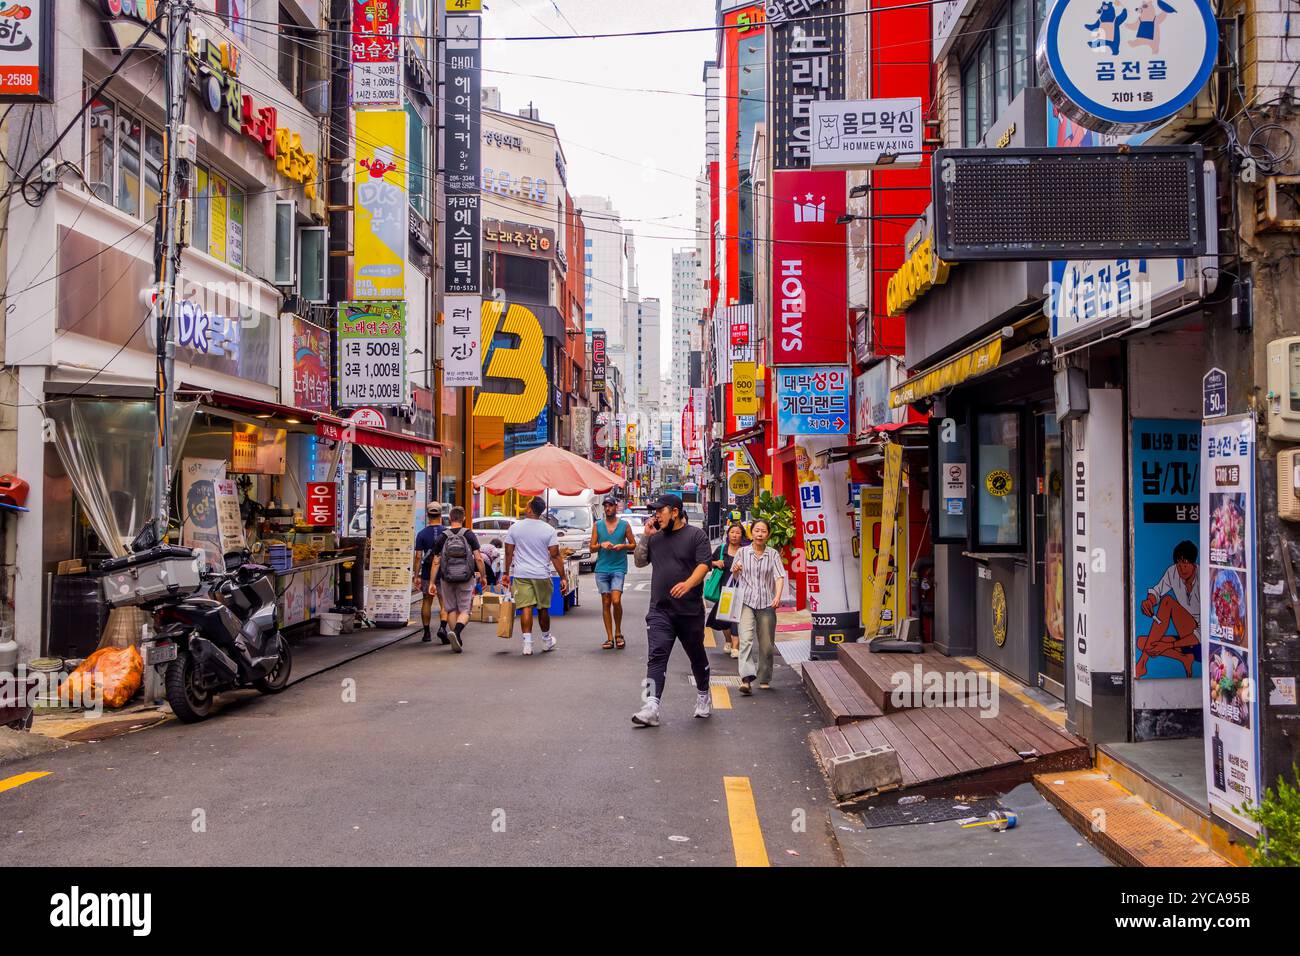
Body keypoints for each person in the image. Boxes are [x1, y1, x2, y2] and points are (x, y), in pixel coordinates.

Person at [630, 494, 714, 727]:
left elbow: (704, 565)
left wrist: (688, 584)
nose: (656, 515)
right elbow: (638, 562)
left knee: (696, 655)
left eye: (660, 511)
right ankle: (651, 706)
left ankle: (703, 694)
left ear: (675, 512)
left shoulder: (696, 536)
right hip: (660, 610)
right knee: (656, 656)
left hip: (689, 611)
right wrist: (646, 538)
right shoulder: (655, 537)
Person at [502, 496, 568, 656]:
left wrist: (505, 573)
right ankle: (546, 640)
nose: (526, 506)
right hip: (541, 574)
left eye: (528, 504)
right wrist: (563, 577)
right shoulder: (548, 530)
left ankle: (527, 644)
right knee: (543, 608)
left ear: (530, 509)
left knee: (526, 608)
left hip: (521, 573)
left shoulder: (515, 528)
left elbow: (508, 552)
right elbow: (555, 555)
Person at [730, 518, 787, 696]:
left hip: (767, 602)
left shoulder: (773, 554)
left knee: (767, 644)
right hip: (746, 601)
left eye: (763, 531)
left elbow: (779, 576)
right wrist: (736, 569)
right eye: (756, 531)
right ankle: (746, 679)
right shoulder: (742, 552)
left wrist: (777, 596)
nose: (760, 534)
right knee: (745, 639)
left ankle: (764, 677)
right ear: (751, 533)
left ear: (768, 534)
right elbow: (734, 574)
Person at [427, 507, 488, 653]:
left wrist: (431, 582)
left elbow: (436, 561)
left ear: (450, 518)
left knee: (451, 609)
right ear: (464, 518)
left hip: (446, 578)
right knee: (465, 610)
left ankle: (455, 636)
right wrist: (483, 576)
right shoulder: (469, 535)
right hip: (466, 577)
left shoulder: (442, 536)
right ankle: (457, 633)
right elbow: (478, 558)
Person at [1137, 539, 1200, 678]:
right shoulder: (1173, 572)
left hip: (1200, 641)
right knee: (1141, 642)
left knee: (1167, 602)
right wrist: (1149, 601)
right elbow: (1157, 591)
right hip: (1185, 634)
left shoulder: (1203, 578)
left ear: (1193, 563)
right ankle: (1184, 658)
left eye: (1185, 563)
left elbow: (1202, 632)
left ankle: (1142, 663)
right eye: (1178, 563)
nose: (1181, 568)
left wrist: (1170, 645)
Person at [591, 496, 636, 650]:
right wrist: (601, 545)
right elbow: (591, 547)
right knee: (605, 601)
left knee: (616, 600)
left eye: (610, 506)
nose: (608, 508)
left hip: (618, 568)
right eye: (606, 506)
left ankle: (618, 632)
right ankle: (610, 638)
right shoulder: (598, 525)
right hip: (602, 569)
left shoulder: (624, 525)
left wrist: (622, 546)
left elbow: (633, 544)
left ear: (616, 507)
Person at [706, 522, 747, 658]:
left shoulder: (746, 551)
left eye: (738, 533)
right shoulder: (721, 549)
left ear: (742, 536)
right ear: (728, 534)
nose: (734, 535)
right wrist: (716, 563)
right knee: (723, 620)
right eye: (732, 532)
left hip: (741, 591)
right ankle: (729, 641)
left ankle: (736, 647)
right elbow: (706, 562)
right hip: (725, 591)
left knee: (736, 619)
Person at [412, 503, 447, 644]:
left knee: (427, 601)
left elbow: (418, 557)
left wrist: (416, 575)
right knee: (444, 602)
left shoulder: (421, 534)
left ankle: (426, 633)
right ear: (440, 515)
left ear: (428, 515)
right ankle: (443, 628)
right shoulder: (446, 532)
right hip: (443, 572)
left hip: (427, 572)